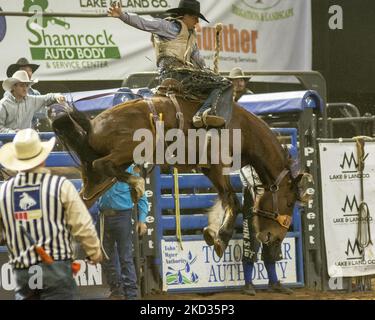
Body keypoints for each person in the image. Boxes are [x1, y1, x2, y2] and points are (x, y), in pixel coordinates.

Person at [0, 129, 103, 300]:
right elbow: (82, 224)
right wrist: (94, 251)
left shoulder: (4, 192)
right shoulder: (61, 186)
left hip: (23, 272)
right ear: (43, 158)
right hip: (57, 270)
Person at [108, 0, 233, 128]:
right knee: (225, 83)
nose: (197, 22)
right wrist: (123, 15)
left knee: (216, 82)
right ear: (184, 16)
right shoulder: (169, 27)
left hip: (179, 74)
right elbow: (145, 23)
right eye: (194, 18)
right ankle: (202, 114)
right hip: (177, 74)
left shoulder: (191, 37)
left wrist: (210, 73)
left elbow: (199, 61)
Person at [240, 165, 293, 296]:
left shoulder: (266, 161)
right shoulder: (246, 164)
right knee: (251, 245)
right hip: (253, 210)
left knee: (272, 244)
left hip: (270, 210)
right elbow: (257, 184)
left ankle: (273, 282)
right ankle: (248, 283)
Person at [98, 164, 148, 300]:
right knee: (106, 254)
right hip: (105, 216)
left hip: (122, 215)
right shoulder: (102, 166)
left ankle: (130, 294)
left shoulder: (130, 169)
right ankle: (117, 290)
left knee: (125, 256)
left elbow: (142, 196)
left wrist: (142, 220)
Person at [0, 70, 65, 133]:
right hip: (7, 142)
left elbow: (47, 98)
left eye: (27, 85)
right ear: (13, 87)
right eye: (22, 85)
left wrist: (57, 96)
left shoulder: (31, 100)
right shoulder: (4, 104)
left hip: (26, 141)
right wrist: (13, 133)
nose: (25, 88)